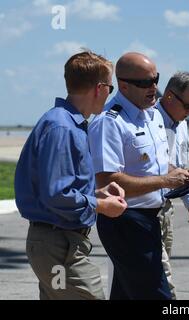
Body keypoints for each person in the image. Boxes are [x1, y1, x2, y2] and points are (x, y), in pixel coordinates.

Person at [14, 51, 128, 300]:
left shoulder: (65, 123)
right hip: (58, 244)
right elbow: (57, 193)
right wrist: (101, 205)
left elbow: (57, 188)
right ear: (99, 88)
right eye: (110, 87)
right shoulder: (63, 128)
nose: (110, 94)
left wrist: (95, 194)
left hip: (59, 243)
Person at [88, 52, 189, 300]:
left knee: (127, 295)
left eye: (155, 79)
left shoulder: (153, 115)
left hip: (150, 219)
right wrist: (166, 181)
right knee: (158, 296)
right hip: (125, 222)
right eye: (145, 83)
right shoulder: (110, 121)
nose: (154, 88)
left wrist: (177, 172)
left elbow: (154, 164)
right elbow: (108, 182)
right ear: (123, 85)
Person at [155, 71, 189, 299]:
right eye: (188, 106)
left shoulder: (182, 123)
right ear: (169, 97)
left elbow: (180, 165)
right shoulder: (149, 120)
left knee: (150, 280)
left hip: (167, 209)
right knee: (162, 282)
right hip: (146, 209)